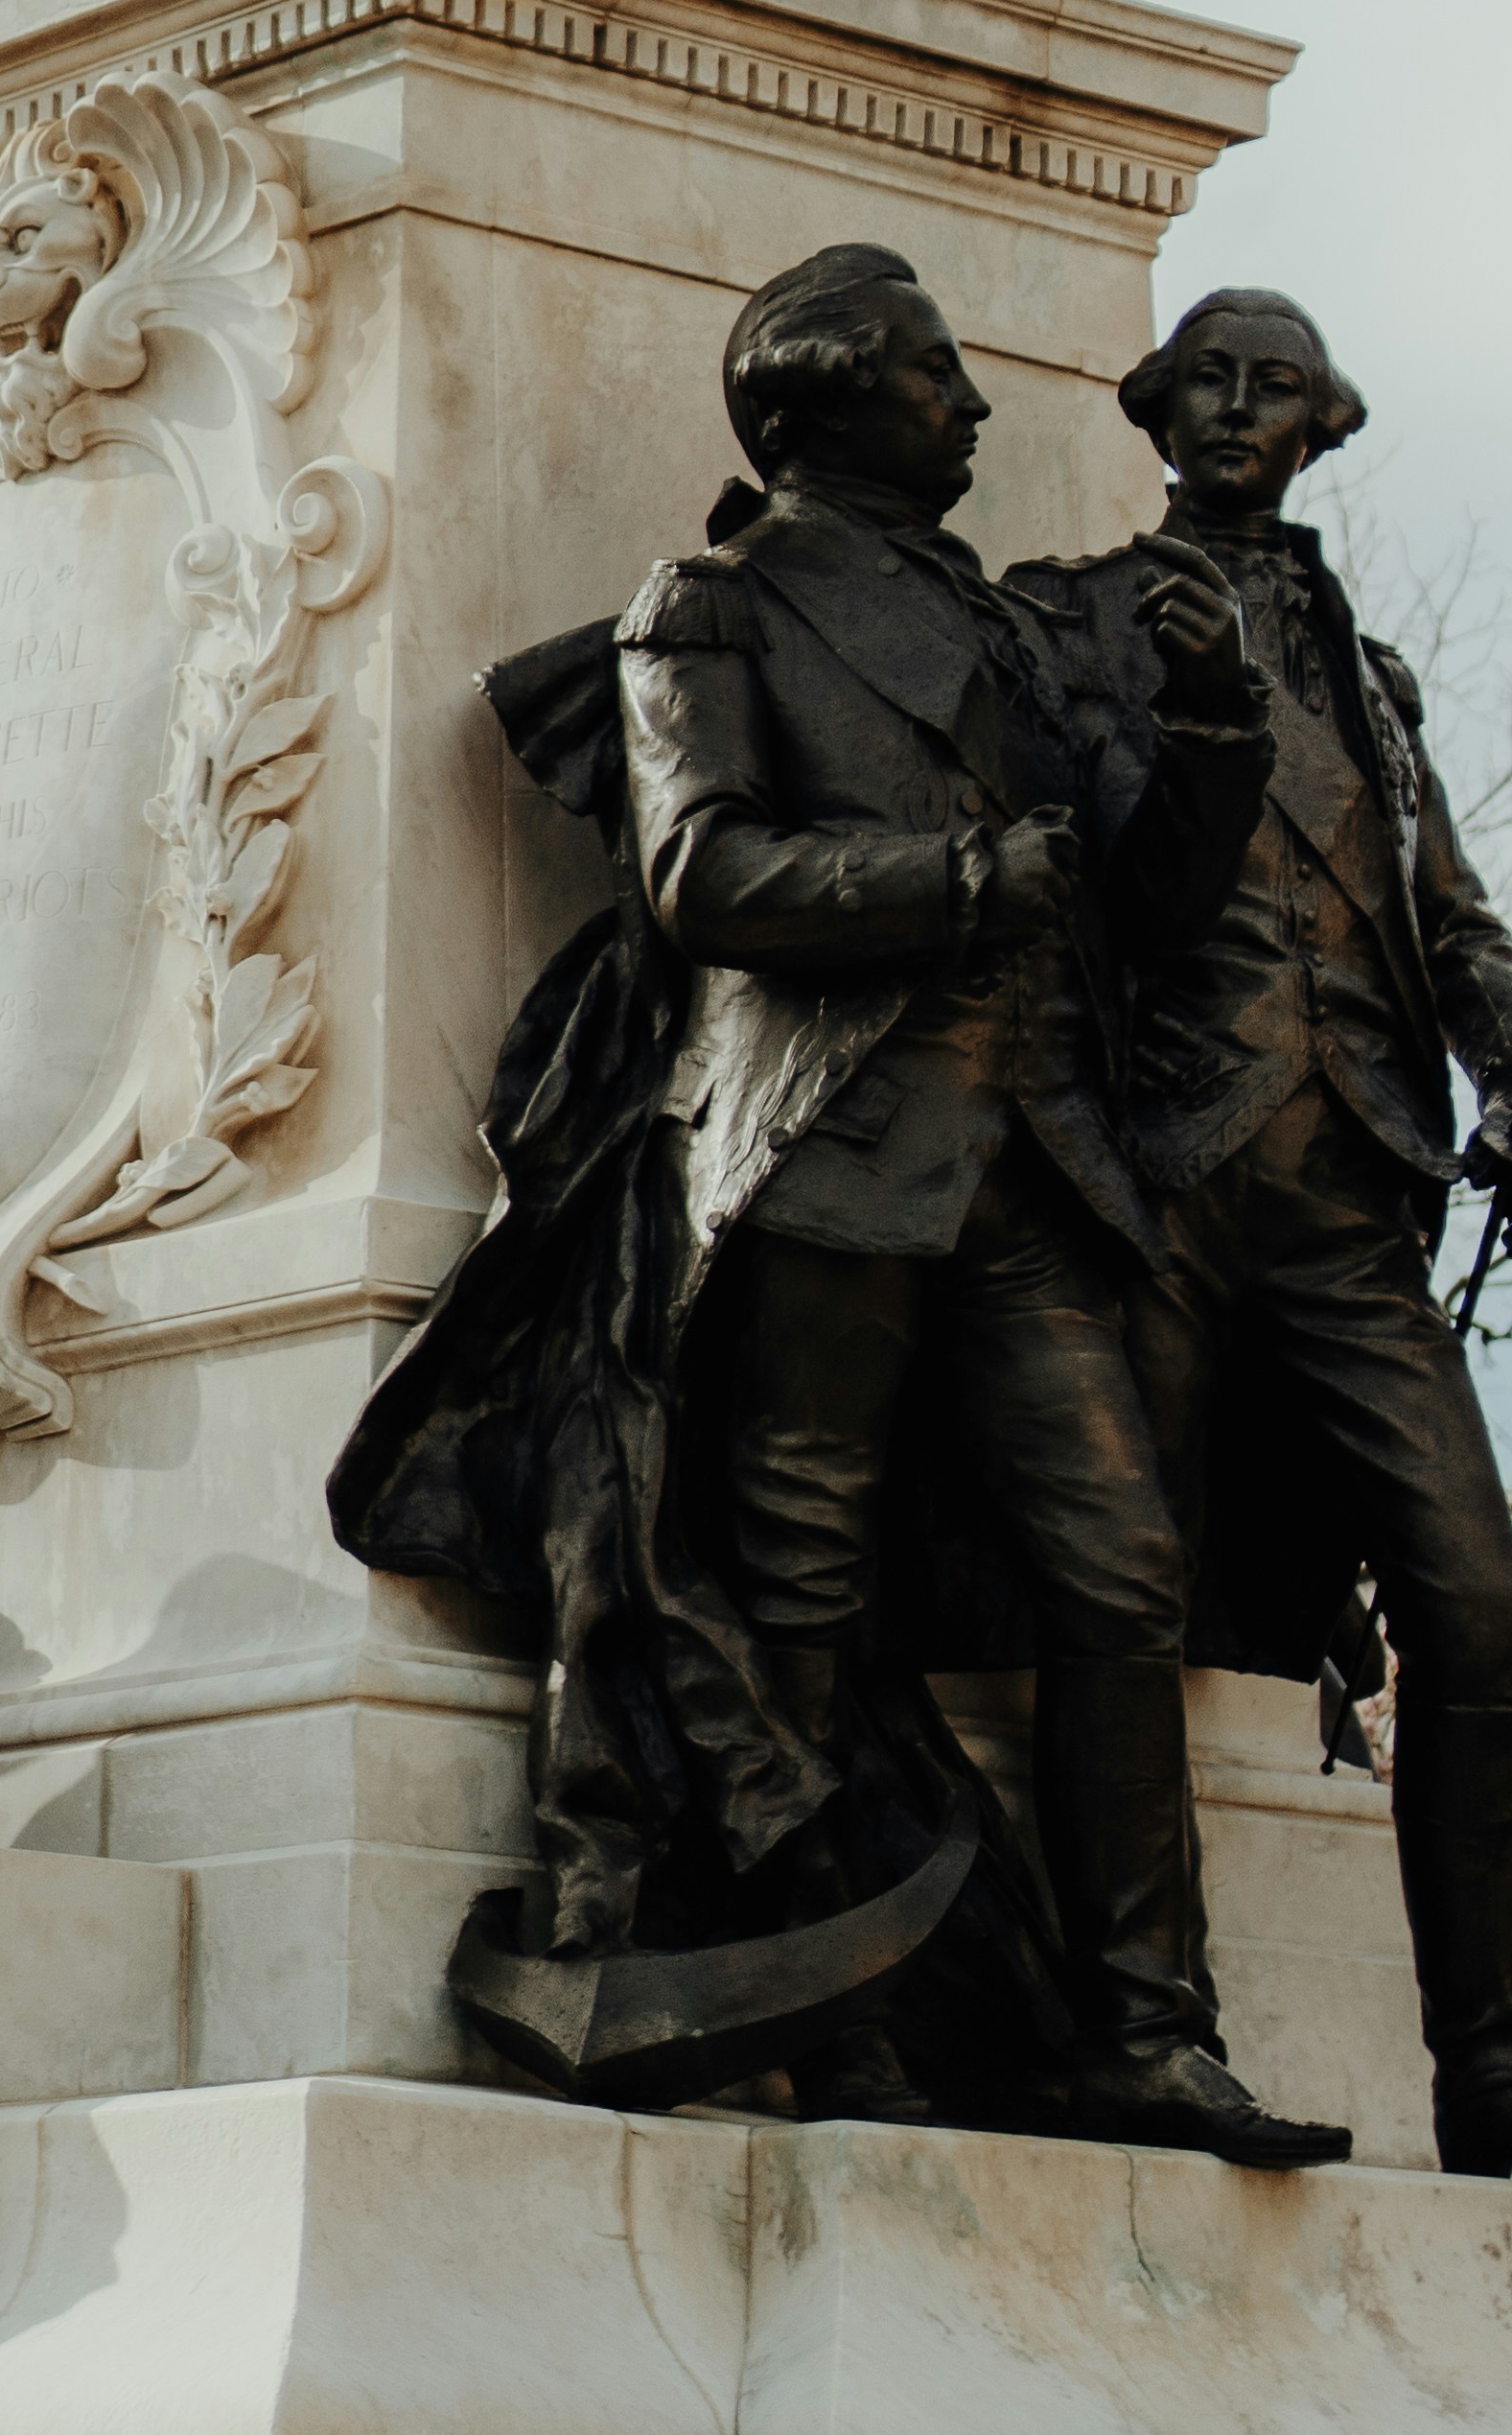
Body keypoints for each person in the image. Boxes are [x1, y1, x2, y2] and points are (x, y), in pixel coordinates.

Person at [342, 239, 1345, 2167]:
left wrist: (1212, 739)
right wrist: (963, 884)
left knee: (1123, 1569)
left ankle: (1147, 2030)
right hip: (824, 1152)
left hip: (1034, 1162)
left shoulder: (1024, 631)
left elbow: (1140, 897)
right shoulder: (708, 606)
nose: (973, 408)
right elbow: (703, 874)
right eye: (935, 375)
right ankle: (817, 2006)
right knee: (796, 1592)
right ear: (824, 396)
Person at [1024, 288, 1512, 2208]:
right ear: (1151, 407)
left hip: (1350, 1195)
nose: (1232, 409)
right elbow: (1097, 893)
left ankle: (1491, 2070)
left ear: (1324, 423)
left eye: (1271, 386)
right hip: (1157, 1176)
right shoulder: (1081, 620)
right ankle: (1145, 2026)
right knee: (1116, 1595)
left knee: (1477, 1609)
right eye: (1203, 378)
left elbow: (1454, 924)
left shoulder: (1371, 681)